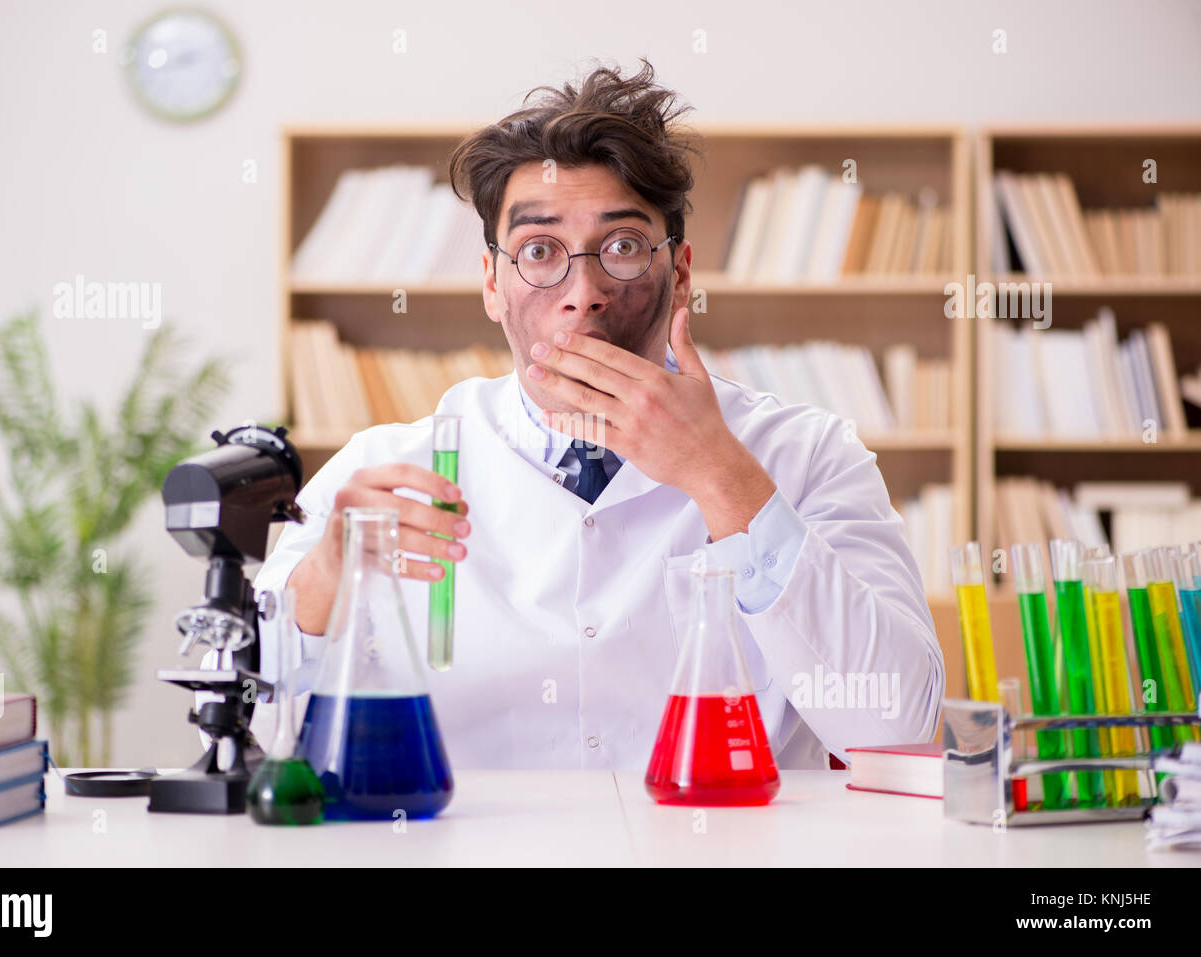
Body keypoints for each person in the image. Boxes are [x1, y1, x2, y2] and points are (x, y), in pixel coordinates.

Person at [248, 59, 943, 770]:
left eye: (622, 246)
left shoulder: (805, 453)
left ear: (680, 274)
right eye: (540, 251)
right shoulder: (383, 474)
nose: (583, 292)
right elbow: (257, 734)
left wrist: (722, 477)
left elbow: (895, 730)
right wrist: (324, 581)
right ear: (492, 283)